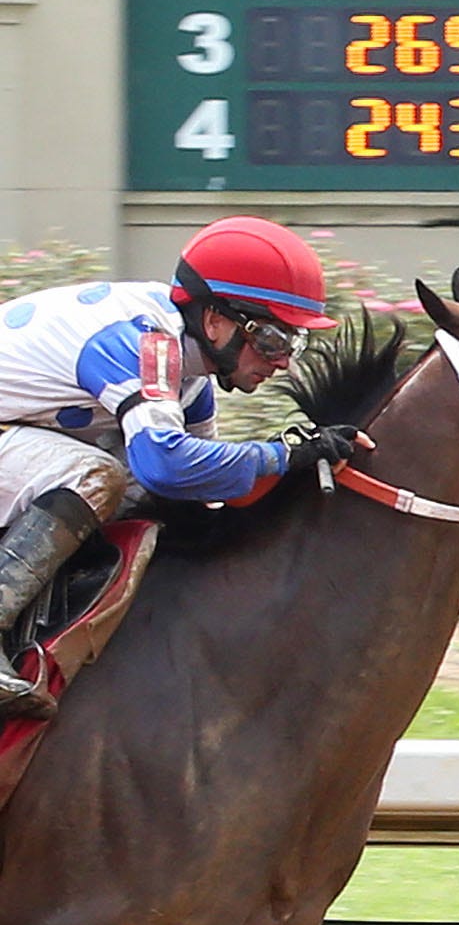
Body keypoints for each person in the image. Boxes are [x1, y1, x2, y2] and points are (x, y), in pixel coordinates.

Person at [0, 215, 368, 718]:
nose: (283, 362)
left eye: (294, 343)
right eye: (273, 340)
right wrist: (284, 455)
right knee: (97, 476)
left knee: (150, 501)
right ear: (215, 320)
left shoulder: (189, 378)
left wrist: (298, 471)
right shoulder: (144, 343)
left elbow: (200, 489)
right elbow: (167, 465)